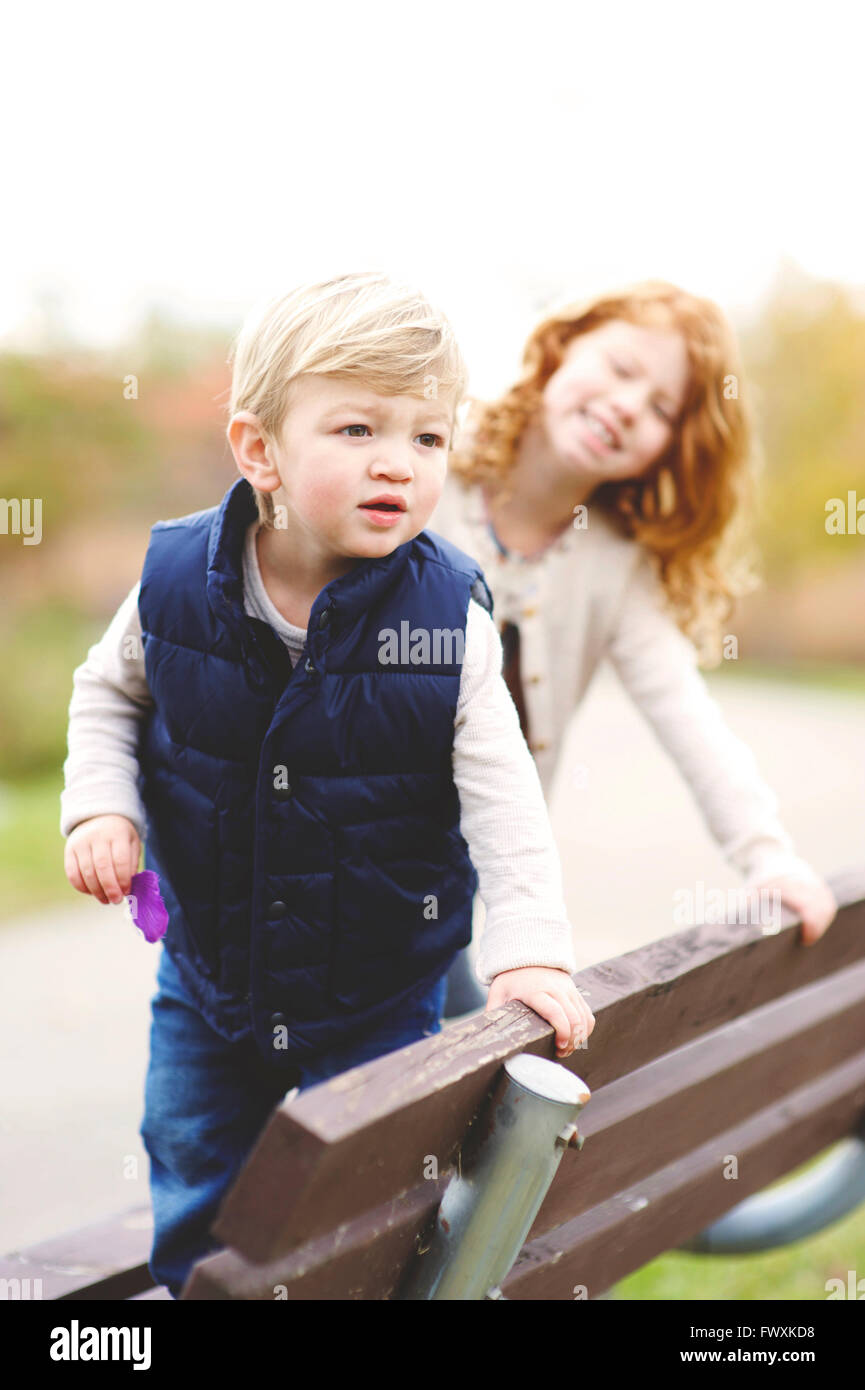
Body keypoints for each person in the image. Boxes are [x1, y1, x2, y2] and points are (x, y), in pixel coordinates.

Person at [59, 271, 594, 1298]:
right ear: (259, 449)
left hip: (377, 985)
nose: (398, 461)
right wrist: (100, 801)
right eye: (357, 429)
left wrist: (529, 955)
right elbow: (105, 692)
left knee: (367, 1192)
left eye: (428, 438)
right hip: (212, 977)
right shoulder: (176, 583)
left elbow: (504, 801)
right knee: (194, 1157)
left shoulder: (446, 619)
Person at [428, 279, 837, 986]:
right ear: (560, 348)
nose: (625, 406)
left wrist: (767, 856)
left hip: (458, 880)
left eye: (659, 409)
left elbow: (689, 719)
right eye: (621, 370)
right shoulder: (430, 473)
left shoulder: (614, 565)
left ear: (669, 449)